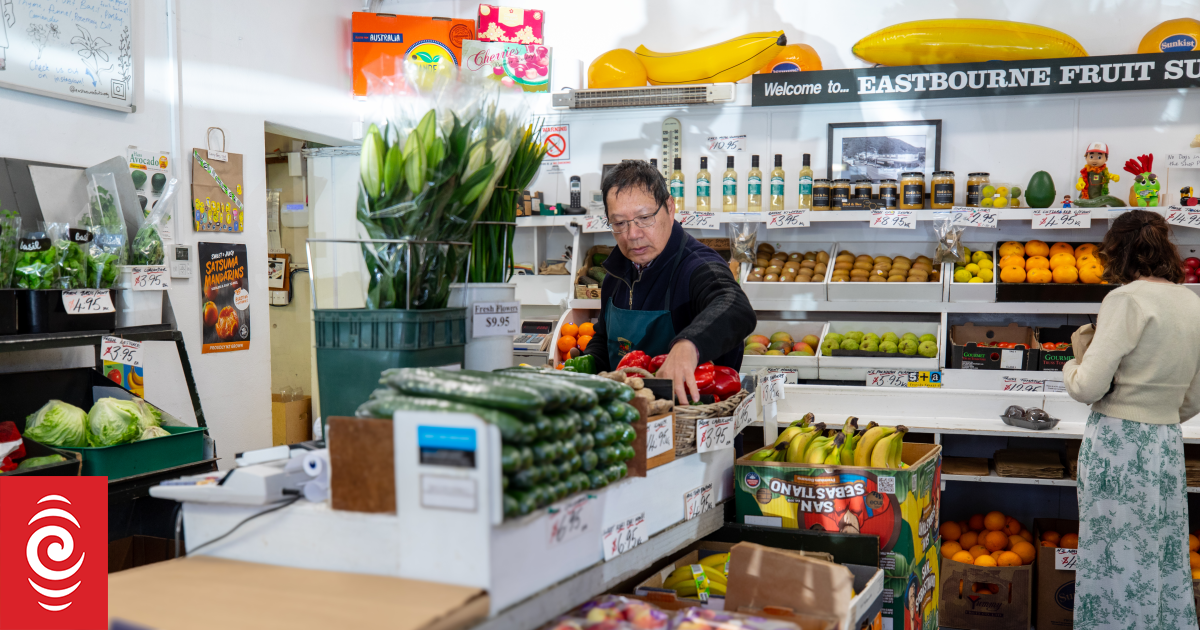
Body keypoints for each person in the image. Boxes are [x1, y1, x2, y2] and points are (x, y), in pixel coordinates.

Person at [1062, 210, 1200, 628]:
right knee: (1161, 551)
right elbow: (1194, 395)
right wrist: (1159, 412)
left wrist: (1070, 365)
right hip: (1165, 443)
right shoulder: (1191, 301)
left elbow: (1087, 387)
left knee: (1114, 555)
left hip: (1119, 444)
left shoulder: (1126, 299)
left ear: (1117, 252)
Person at [582, 160, 755, 404]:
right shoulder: (615, 275)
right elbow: (605, 338)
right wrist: (583, 369)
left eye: (644, 217)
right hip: (631, 425)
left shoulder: (697, 266)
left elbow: (734, 305)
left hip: (695, 427)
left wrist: (689, 345)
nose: (633, 234)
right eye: (619, 223)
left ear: (670, 207)